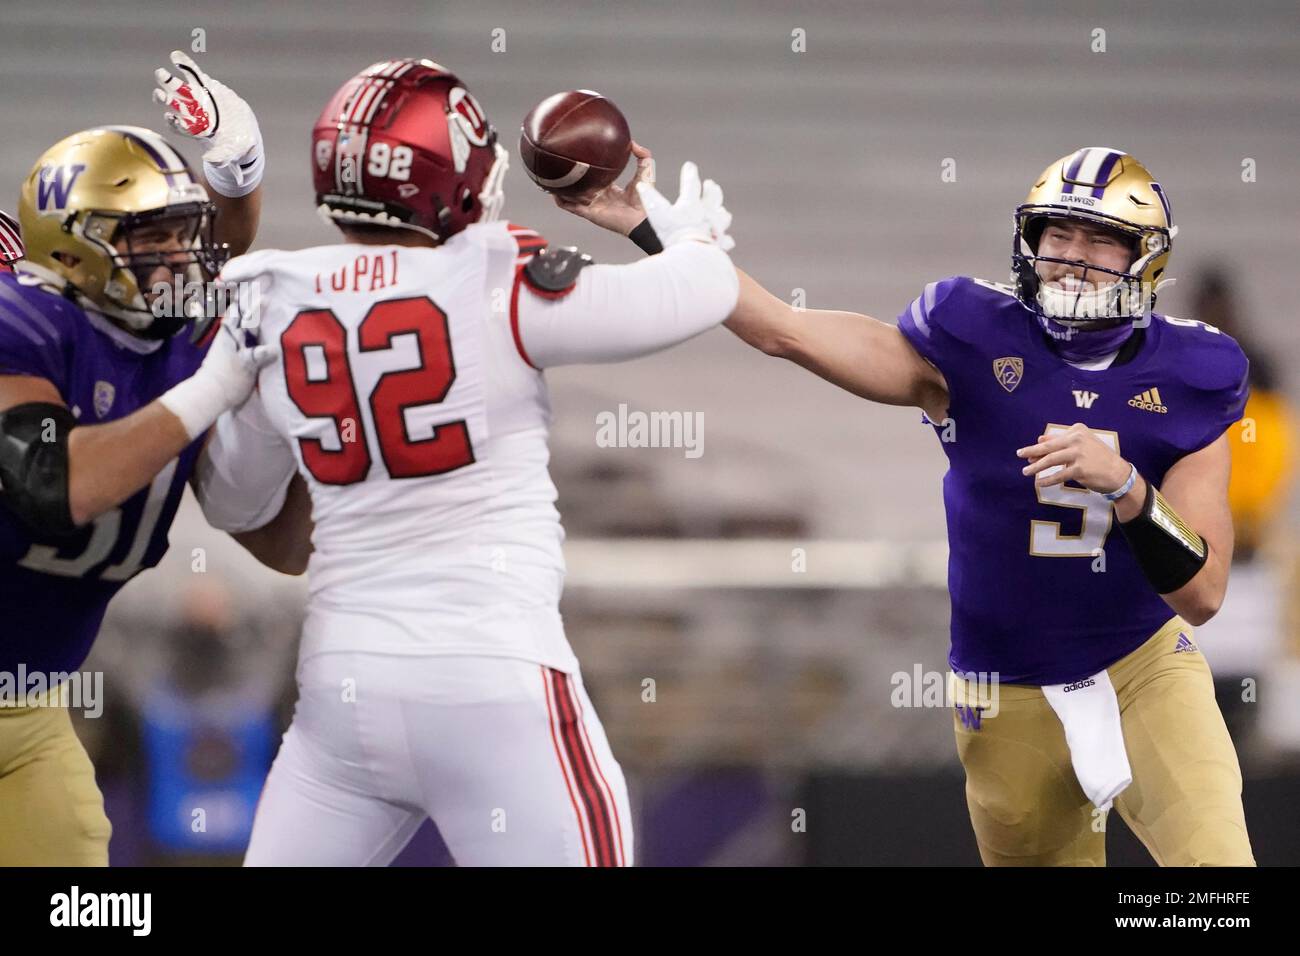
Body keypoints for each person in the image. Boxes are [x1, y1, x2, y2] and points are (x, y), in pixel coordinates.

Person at [195, 58, 738, 866]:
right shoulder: (494, 274)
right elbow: (703, 291)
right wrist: (671, 229)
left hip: (344, 695)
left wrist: (346, 445)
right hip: (494, 681)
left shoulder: (269, 295)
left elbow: (236, 504)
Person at [664, 146, 1250, 866]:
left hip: (1144, 668)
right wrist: (681, 254)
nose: (1073, 256)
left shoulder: (1196, 372)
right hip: (1004, 689)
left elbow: (1203, 591)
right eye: (1058, 234)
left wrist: (1128, 486)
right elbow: (785, 330)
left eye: (1101, 238)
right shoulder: (968, 335)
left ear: (1145, 258)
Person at [0, 53, 270, 865]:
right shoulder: (23, 323)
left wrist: (240, 168)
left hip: (24, 703)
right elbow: (55, 483)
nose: (174, 261)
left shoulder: (118, 327)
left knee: (83, 900)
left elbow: (170, 282)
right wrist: (211, 388)